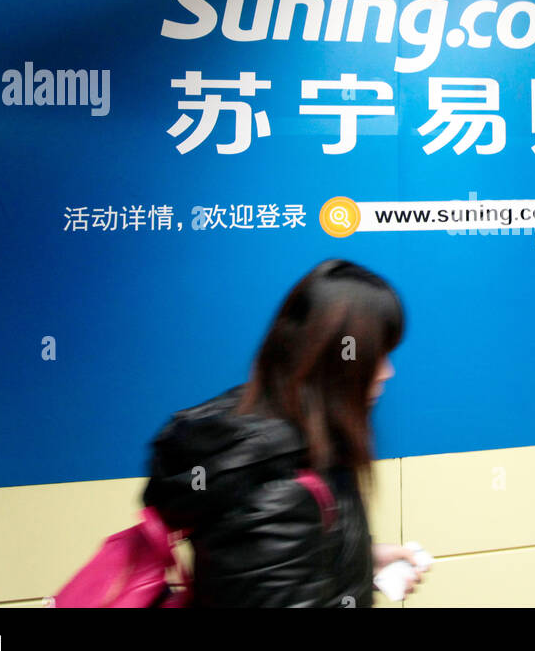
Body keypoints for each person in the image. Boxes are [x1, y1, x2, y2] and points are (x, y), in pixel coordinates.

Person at [142, 259, 426, 607]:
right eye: (377, 356)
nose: (387, 372)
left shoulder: (296, 440)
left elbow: (288, 569)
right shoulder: (280, 490)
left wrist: (360, 562)